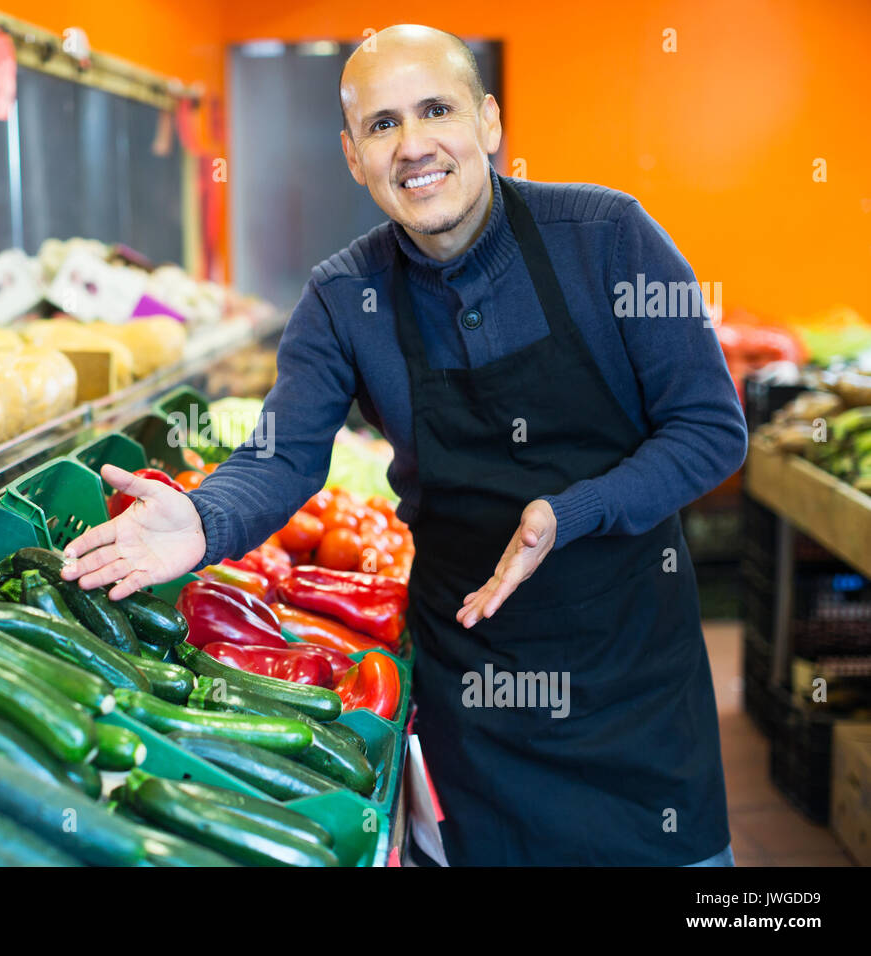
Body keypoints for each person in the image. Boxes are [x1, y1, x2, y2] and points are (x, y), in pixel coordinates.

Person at [61, 24, 746, 866]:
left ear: (488, 122)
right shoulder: (343, 297)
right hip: (478, 688)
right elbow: (282, 454)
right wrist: (202, 522)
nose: (414, 145)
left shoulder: (607, 238)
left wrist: (574, 512)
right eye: (382, 125)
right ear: (354, 155)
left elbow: (711, 428)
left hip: (632, 678)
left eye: (436, 110)